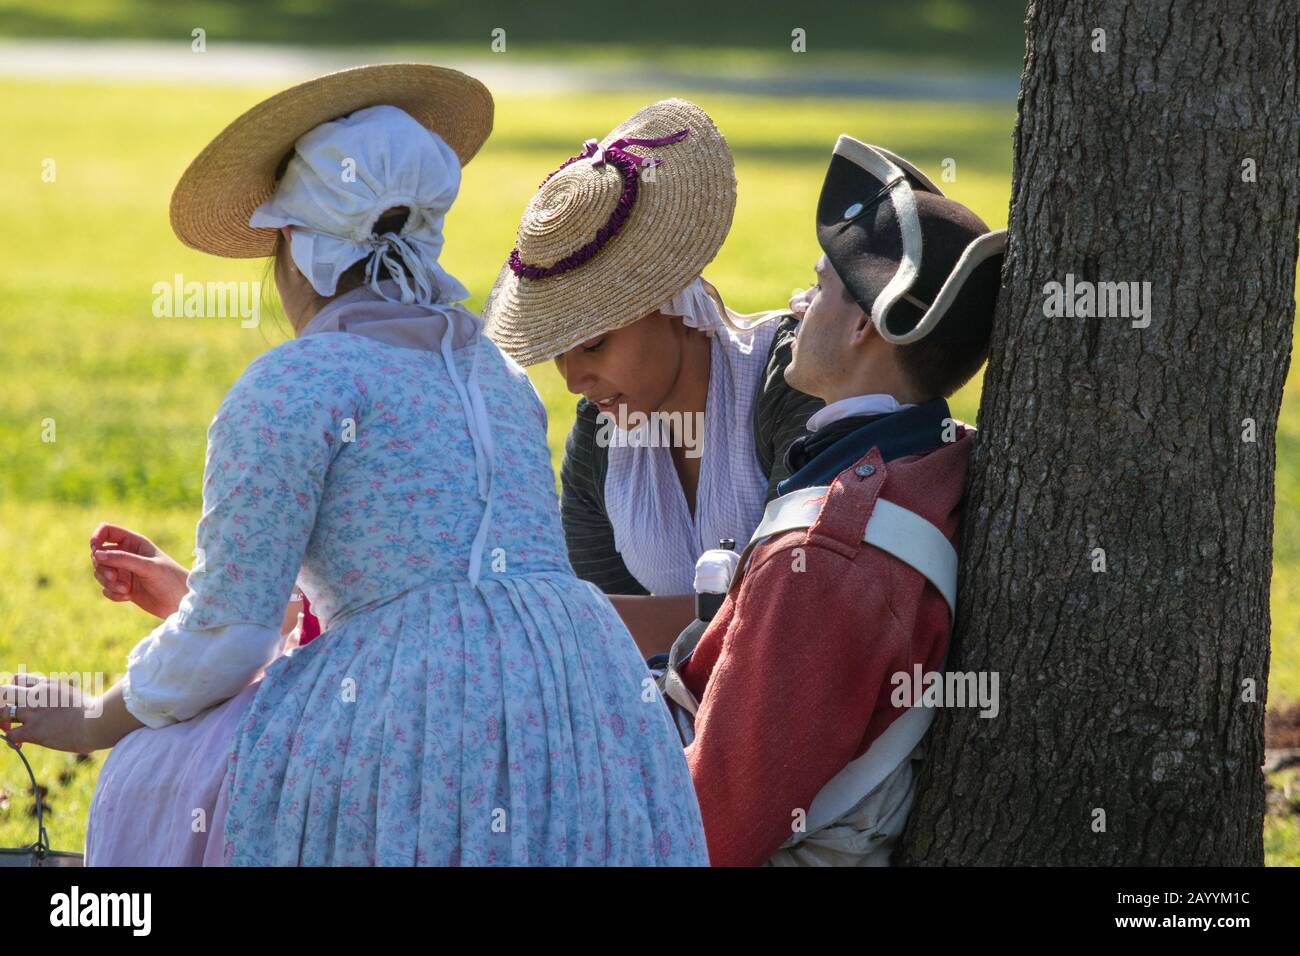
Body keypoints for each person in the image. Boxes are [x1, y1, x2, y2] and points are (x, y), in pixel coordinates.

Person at [0, 64, 708, 866]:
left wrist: (95, 717)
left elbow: (233, 639)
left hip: (408, 714)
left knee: (157, 771)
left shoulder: (295, 382)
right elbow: (432, 577)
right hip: (581, 707)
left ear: (297, 255)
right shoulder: (497, 378)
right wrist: (197, 603)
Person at [658, 136, 1007, 865]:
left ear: (862, 327)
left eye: (817, 287)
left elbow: (709, 831)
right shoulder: (935, 453)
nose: (795, 302)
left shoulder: (822, 558)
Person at [483, 98, 822, 658]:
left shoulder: (787, 379)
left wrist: (568, 617)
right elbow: (599, 632)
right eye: (557, 355)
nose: (574, 381)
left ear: (664, 301)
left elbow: (798, 607)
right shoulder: (600, 437)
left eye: (592, 343)